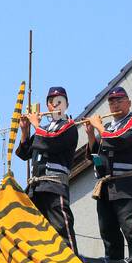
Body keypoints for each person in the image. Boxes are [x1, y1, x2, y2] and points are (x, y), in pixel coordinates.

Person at [86, 86, 132, 263]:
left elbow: (118, 140)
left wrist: (98, 127)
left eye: (120, 101)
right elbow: (95, 155)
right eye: (112, 102)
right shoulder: (108, 128)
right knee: (108, 229)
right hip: (106, 185)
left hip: (127, 183)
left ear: (129, 103)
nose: (115, 105)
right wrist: (90, 134)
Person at [15, 86, 79, 249]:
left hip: (54, 184)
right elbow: (24, 154)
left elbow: (51, 143)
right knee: (36, 230)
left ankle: (73, 261)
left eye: (59, 101)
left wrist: (36, 125)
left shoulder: (69, 125)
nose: (55, 105)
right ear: (47, 106)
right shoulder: (44, 129)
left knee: (61, 227)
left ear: (66, 105)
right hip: (36, 186)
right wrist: (24, 130)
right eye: (51, 102)